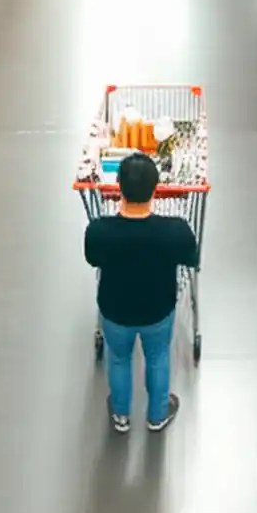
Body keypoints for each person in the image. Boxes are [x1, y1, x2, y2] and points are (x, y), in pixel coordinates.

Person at [85, 153, 199, 433]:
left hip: (115, 311)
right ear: (156, 187)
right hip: (157, 310)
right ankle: (157, 414)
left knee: (119, 359)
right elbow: (191, 258)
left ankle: (121, 415)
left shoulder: (99, 231)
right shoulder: (175, 231)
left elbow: (93, 259)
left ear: (119, 187)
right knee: (158, 357)